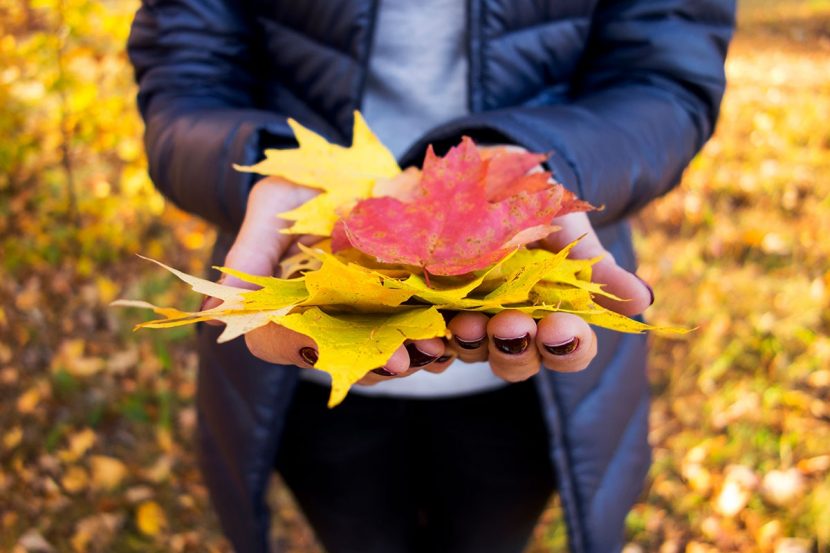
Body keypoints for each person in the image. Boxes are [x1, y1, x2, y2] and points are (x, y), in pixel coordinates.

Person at [127, 1, 735, 552]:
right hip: (310, 340)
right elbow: (185, 80)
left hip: (529, 376)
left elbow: (665, 79)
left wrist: (531, 162)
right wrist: (257, 166)